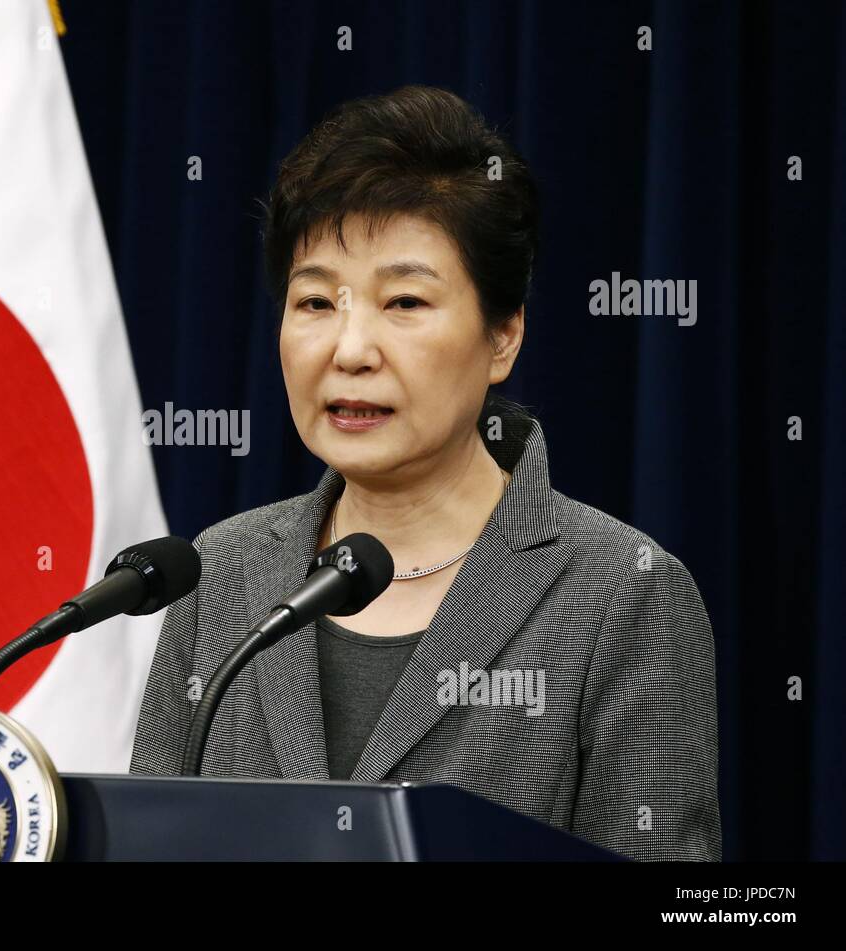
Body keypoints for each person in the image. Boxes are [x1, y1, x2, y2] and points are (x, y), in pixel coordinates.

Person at [129, 85, 721, 862]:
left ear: (502, 335)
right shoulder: (220, 575)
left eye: (404, 301)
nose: (350, 349)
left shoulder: (622, 592)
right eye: (315, 302)